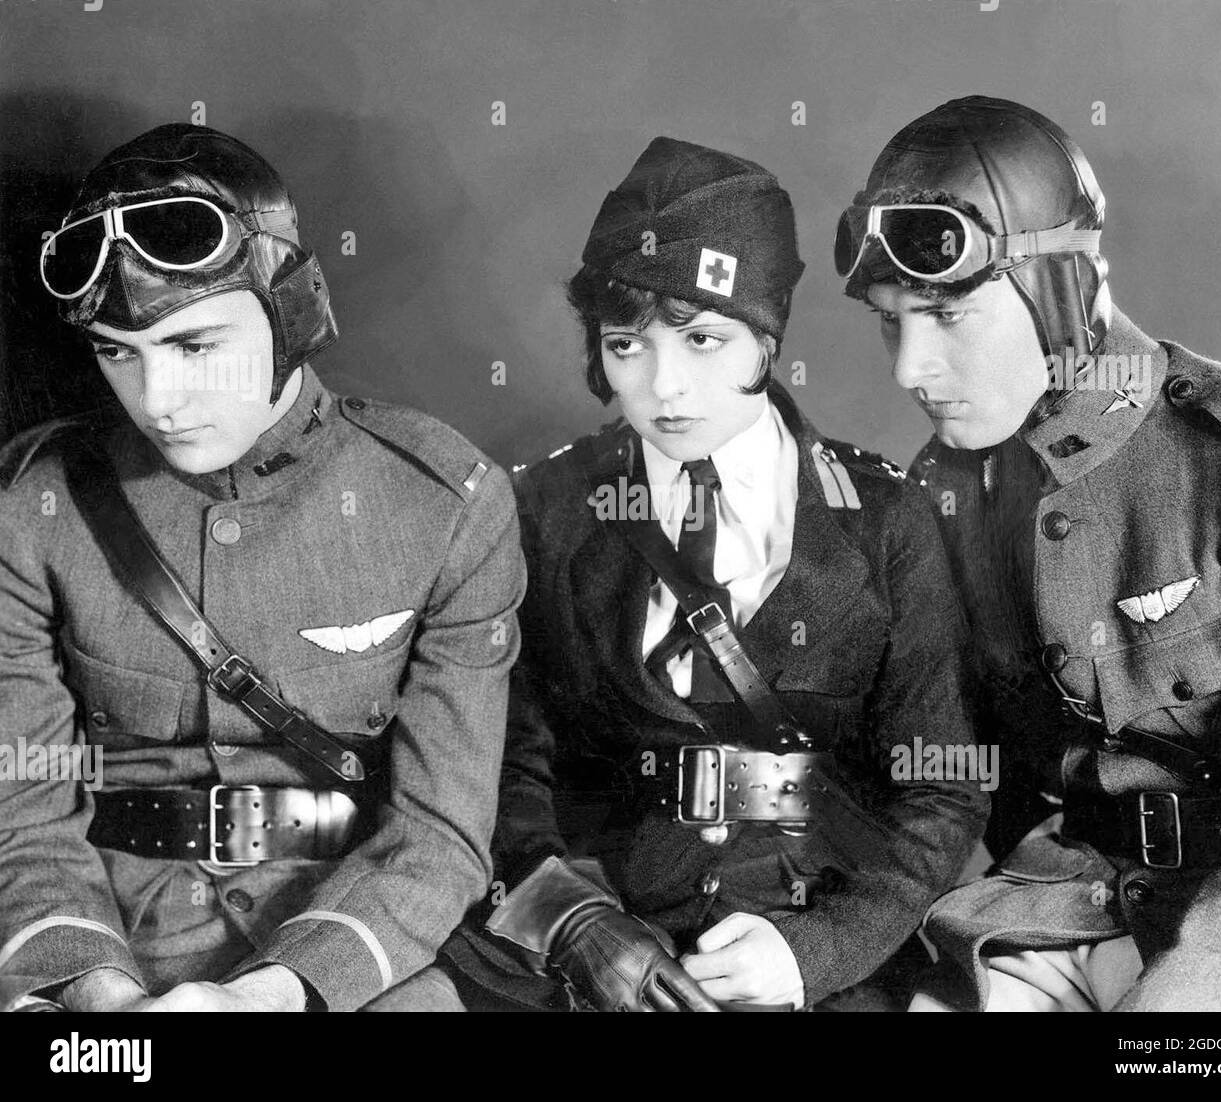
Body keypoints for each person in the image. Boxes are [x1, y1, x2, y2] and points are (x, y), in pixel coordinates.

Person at [441, 135, 989, 1012]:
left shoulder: (887, 518)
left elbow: (945, 784)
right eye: (626, 344)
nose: (665, 388)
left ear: (767, 339)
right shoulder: (541, 509)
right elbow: (501, 769)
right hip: (596, 943)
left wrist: (818, 953)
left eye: (702, 339)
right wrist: (576, 923)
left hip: (817, 935)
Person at [0, 123, 524, 1012]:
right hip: (105, 941)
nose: (157, 402)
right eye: (116, 353)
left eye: (196, 345)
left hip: (357, 952)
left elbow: (440, 829)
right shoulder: (29, 506)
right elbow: (22, 814)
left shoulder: (445, 502)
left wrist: (274, 996)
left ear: (291, 310)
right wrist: (97, 996)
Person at [833, 95, 1221, 1011]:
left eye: (947, 316)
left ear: (1061, 291)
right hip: (1055, 915)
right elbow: (940, 773)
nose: (908, 369)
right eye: (892, 320)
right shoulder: (949, 490)